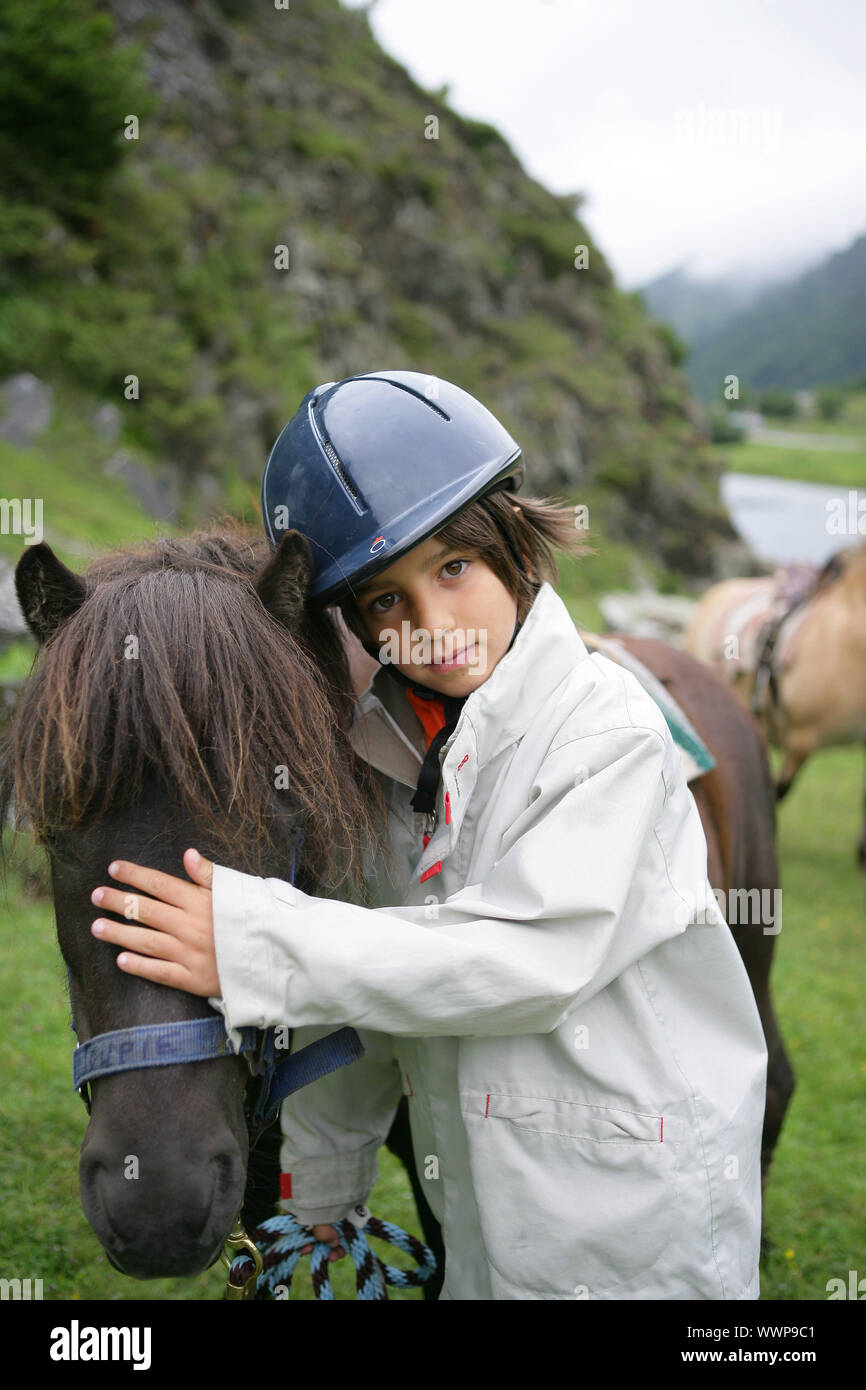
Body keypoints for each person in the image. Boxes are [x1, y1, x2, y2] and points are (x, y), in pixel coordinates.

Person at [90, 370, 769, 1300]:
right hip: (484, 1221)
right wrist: (321, 1203)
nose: (431, 627)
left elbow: (531, 958)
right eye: (385, 601)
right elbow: (364, 991)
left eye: (455, 567)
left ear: (514, 545)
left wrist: (250, 939)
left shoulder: (607, 737)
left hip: (634, 1228)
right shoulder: (386, 755)